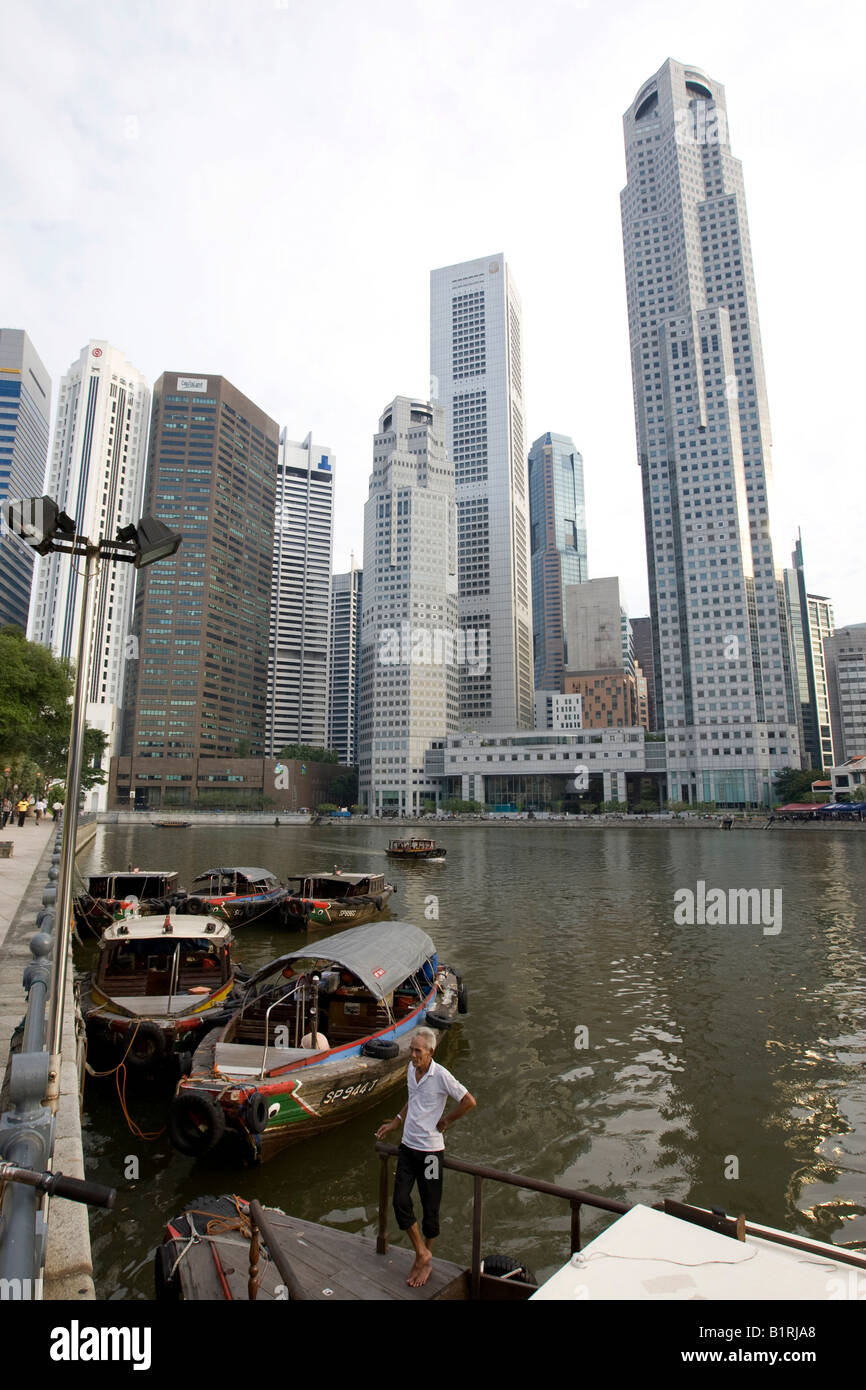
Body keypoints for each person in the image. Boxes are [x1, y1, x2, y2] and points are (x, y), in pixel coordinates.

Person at [375, 1027, 475, 1288]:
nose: (413, 1054)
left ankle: (424, 1261)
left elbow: (468, 1101)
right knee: (399, 1201)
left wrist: (447, 1120)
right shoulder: (411, 1069)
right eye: (412, 1049)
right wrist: (396, 1122)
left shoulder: (441, 1076)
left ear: (430, 1052)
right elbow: (413, 1098)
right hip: (408, 1148)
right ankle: (421, 1251)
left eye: (418, 1051)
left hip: (431, 1153)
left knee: (431, 1208)